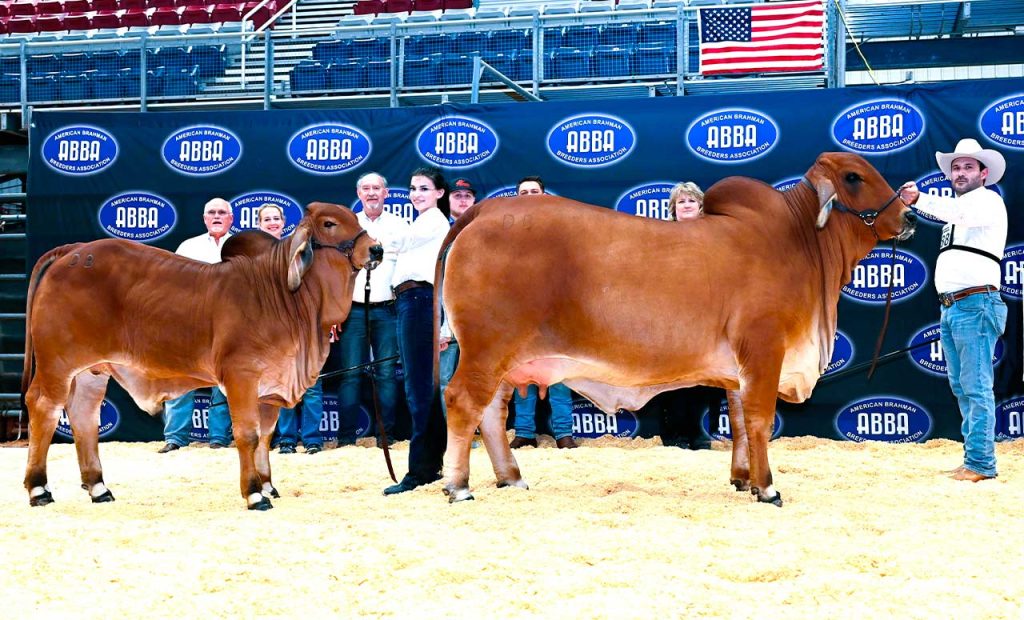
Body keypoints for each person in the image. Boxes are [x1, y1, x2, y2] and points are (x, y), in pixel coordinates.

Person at [900, 139, 1008, 482]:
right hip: (955, 306)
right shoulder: (956, 216)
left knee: (974, 386)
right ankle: (973, 459)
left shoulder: (987, 201)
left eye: (968, 167)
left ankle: (981, 464)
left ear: (984, 173)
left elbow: (957, 211)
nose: (960, 173)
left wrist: (920, 200)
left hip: (976, 303)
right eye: (956, 168)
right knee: (964, 387)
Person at [326, 172, 408, 448]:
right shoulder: (348, 225)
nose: (372, 193)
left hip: (389, 309)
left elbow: (407, 268)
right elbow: (334, 272)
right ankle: (346, 439)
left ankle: (388, 437)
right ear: (358, 193)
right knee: (349, 374)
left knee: (386, 374)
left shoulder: (401, 225)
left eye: (377, 188)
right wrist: (335, 311)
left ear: (386, 192)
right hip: (353, 311)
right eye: (366, 188)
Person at [384, 167, 451, 495]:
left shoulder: (434, 221)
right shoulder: (421, 222)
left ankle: (420, 470)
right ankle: (431, 464)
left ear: (440, 193)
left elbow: (398, 241)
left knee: (419, 386)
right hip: (410, 301)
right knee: (423, 384)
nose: (416, 194)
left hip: (421, 300)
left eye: (424, 188)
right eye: (412, 188)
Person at [158, 198, 233, 453]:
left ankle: (219, 438)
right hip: (190, 322)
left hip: (229, 322)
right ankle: (175, 438)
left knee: (225, 381)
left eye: (222, 212)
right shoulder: (188, 246)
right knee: (180, 377)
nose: (216, 216)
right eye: (211, 212)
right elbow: (171, 285)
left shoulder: (241, 247)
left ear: (231, 218)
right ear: (204, 219)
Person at [509, 175, 577, 450]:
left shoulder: (558, 230)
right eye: (523, 191)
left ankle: (564, 433)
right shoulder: (509, 233)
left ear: (544, 195)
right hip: (520, 312)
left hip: (555, 311)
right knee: (523, 371)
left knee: (558, 372)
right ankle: (524, 431)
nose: (528, 195)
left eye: (533, 191)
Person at [648, 182, 716, 450]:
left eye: (691, 200)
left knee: (704, 378)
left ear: (700, 206)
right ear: (673, 208)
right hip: (671, 319)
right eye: (681, 201)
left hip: (705, 317)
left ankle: (700, 434)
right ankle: (674, 435)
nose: (686, 204)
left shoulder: (715, 236)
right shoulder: (661, 236)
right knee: (672, 378)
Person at [257, 203, 324, 455]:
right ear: (259, 225)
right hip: (270, 330)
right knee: (282, 385)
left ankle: (312, 439)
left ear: (284, 222)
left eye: (276, 218)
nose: (273, 222)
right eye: (267, 219)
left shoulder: (300, 250)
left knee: (312, 386)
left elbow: (315, 290)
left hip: (304, 326)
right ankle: (285, 439)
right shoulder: (254, 255)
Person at [439, 177, 479, 416]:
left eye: (467, 196)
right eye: (457, 195)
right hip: (448, 314)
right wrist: (442, 321)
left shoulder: (485, 230)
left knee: (477, 376)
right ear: (447, 199)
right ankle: (448, 431)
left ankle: (473, 428)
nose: (463, 200)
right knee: (445, 377)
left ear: (474, 200)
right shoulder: (437, 230)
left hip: (477, 318)